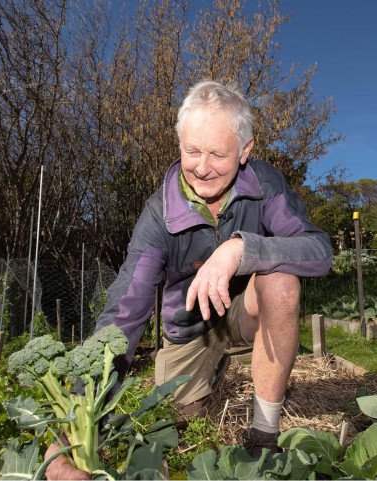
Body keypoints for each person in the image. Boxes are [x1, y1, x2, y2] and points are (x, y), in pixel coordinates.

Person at [46, 80, 332, 480]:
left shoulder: (265, 185)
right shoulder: (157, 215)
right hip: (190, 328)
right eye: (192, 151)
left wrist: (239, 250)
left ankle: (264, 432)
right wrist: (71, 422)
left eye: (218, 153)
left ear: (245, 151)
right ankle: (208, 373)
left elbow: (319, 250)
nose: (201, 166)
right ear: (179, 143)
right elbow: (124, 313)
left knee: (282, 281)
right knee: (180, 423)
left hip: (243, 309)